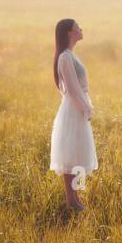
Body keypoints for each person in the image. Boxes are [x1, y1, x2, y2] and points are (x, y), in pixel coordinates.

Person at [49, 18, 97, 210]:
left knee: (76, 152)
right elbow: (72, 88)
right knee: (70, 154)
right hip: (74, 109)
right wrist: (85, 108)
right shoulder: (65, 57)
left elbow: (78, 88)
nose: (81, 29)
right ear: (69, 33)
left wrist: (86, 106)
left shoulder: (71, 55)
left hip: (78, 106)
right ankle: (72, 201)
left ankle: (75, 199)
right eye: (78, 27)